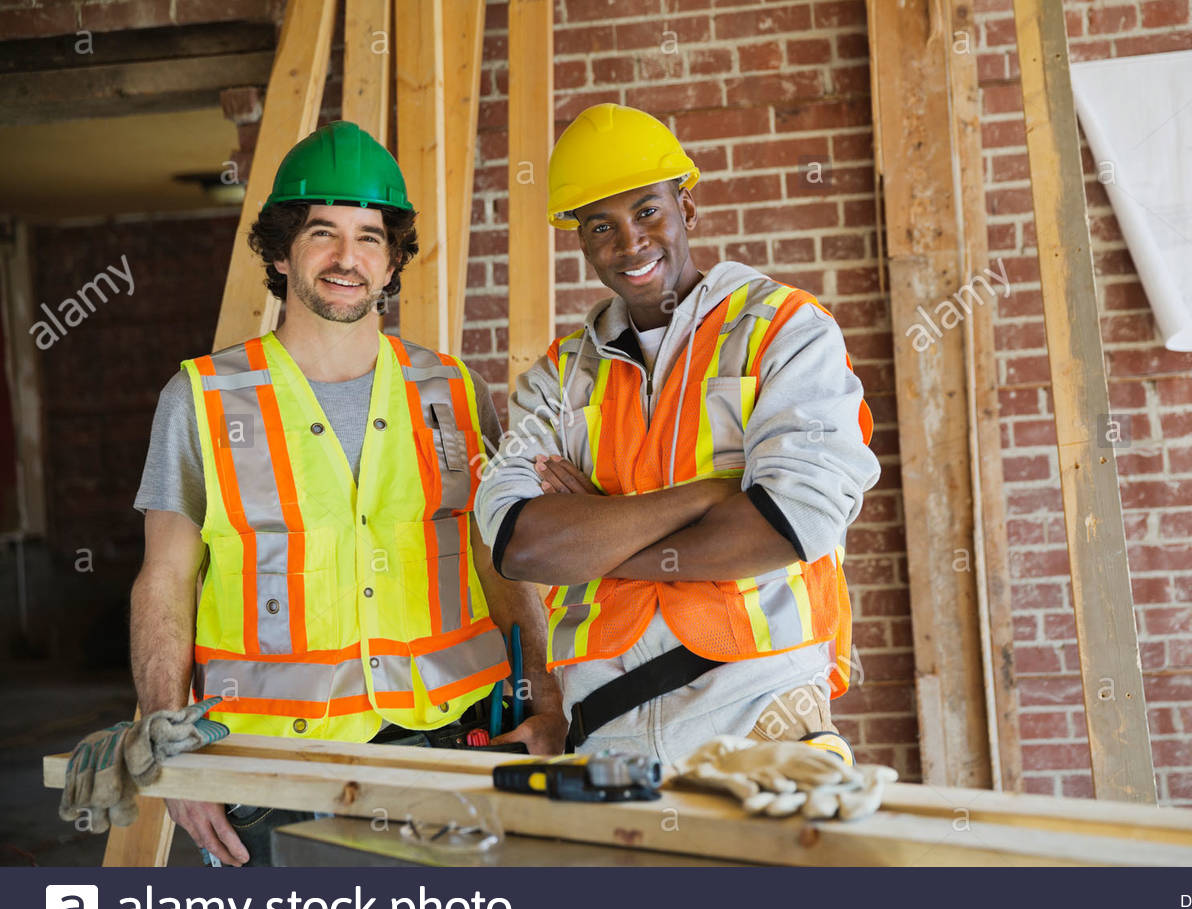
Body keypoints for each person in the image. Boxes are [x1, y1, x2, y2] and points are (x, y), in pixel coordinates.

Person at [130, 121, 563, 866]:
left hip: (456, 742)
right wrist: (170, 749)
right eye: (322, 233)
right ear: (280, 249)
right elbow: (165, 579)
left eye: (369, 237)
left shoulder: (455, 392)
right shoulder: (202, 398)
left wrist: (547, 696)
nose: (346, 259)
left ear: (393, 260)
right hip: (272, 770)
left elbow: (498, 561)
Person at [474, 104, 880, 768]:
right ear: (579, 239)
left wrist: (595, 539)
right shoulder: (557, 377)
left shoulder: (783, 331)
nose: (629, 244)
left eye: (647, 212)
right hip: (605, 731)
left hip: (763, 712)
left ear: (686, 211)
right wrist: (704, 499)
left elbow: (788, 524)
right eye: (600, 225)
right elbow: (521, 545)